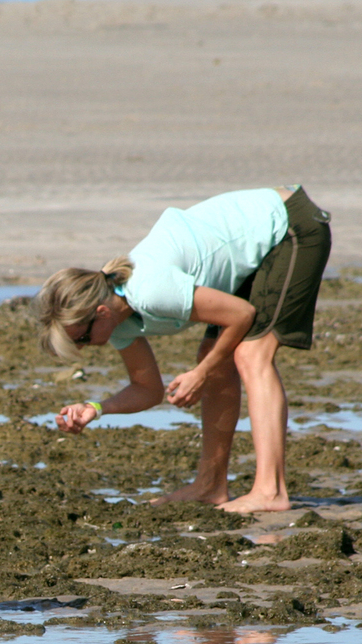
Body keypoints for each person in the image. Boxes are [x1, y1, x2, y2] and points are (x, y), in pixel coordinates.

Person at [36, 186, 332, 513]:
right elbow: (147, 389)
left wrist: (200, 375)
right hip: (260, 246)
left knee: (251, 354)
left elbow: (242, 315)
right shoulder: (118, 320)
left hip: (289, 225)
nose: (85, 347)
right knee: (213, 355)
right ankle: (210, 486)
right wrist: (96, 407)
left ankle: (270, 490)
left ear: (101, 314)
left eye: (82, 338)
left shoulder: (149, 291)